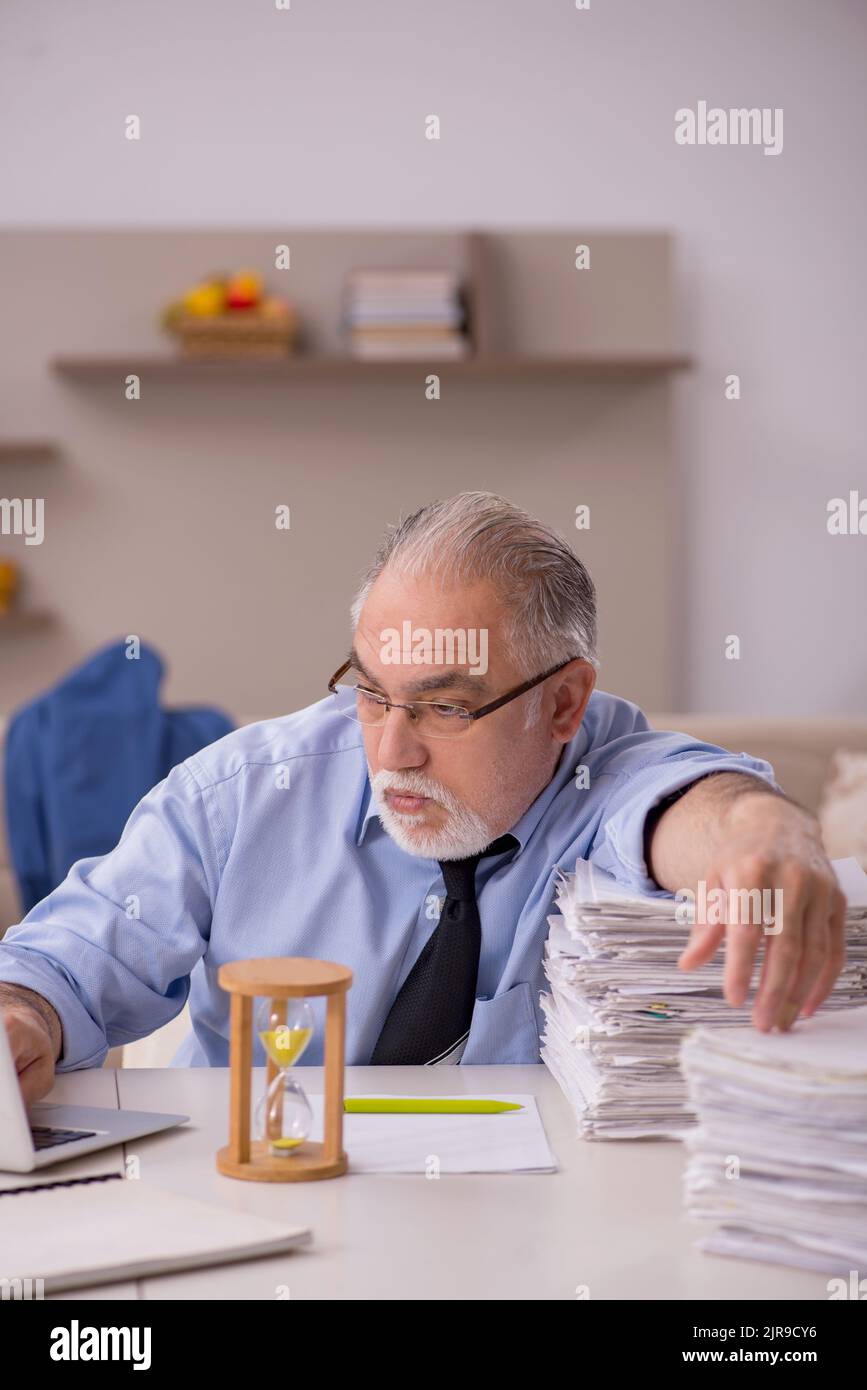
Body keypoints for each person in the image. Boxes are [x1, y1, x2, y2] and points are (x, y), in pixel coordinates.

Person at [0, 492, 846, 1101]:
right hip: (254, 1197)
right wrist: (25, 1016)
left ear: (562, 702)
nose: (393, 752)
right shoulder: (245, 792)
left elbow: (690, 810)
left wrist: (763, 826)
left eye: (447, 707)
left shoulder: (605, 773)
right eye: (370, 693)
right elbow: (71, 954)